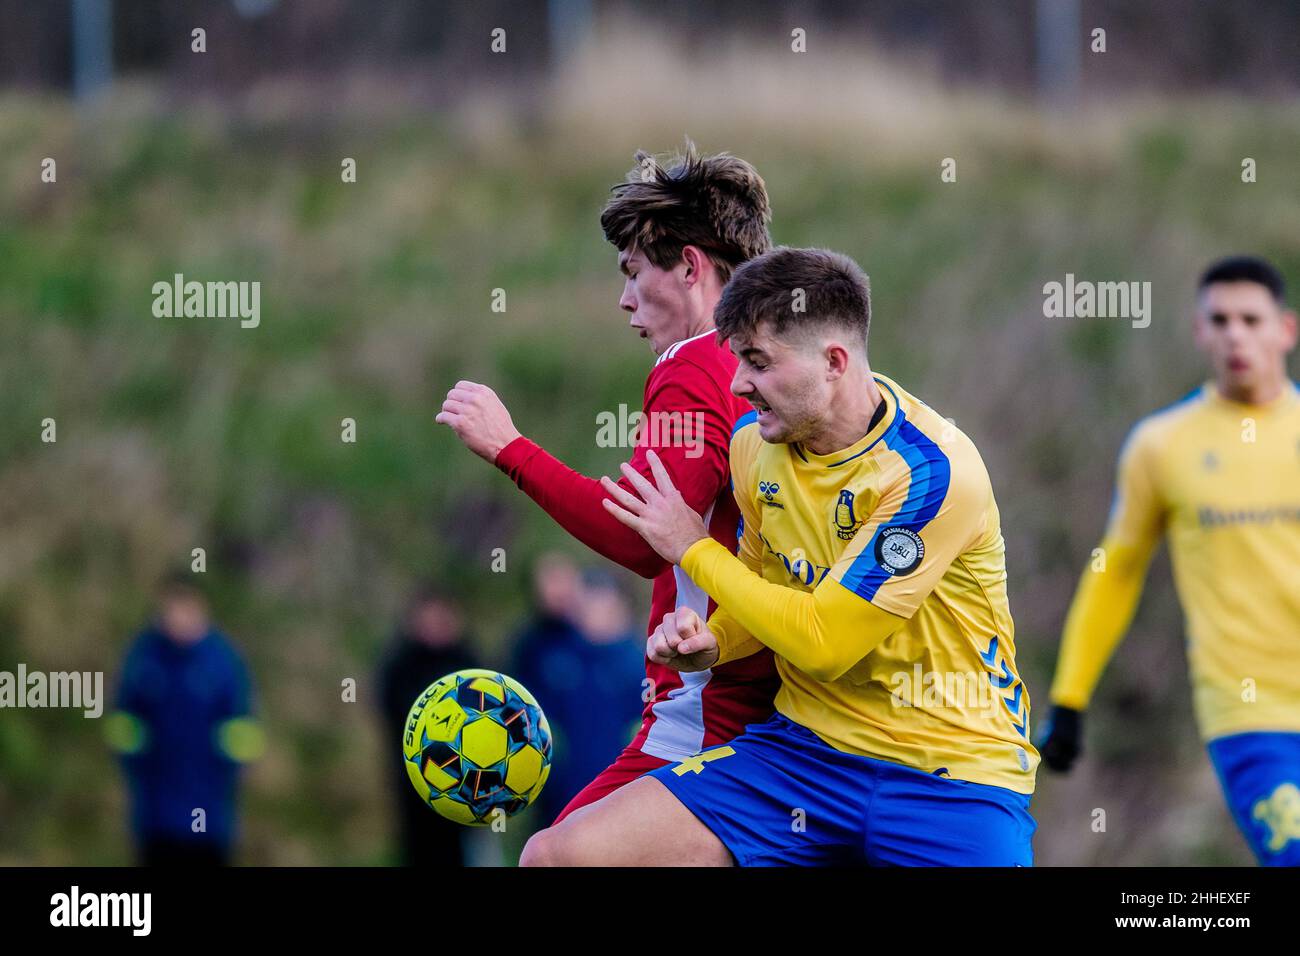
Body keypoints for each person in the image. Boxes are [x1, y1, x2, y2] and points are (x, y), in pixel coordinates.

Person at [522, 247, 1039, 865]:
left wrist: (691, 547)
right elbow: (766, 588)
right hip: (802, 758)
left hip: (952, 778)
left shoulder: (933, 472)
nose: (739, 383)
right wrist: (713, 640)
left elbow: (823, 641)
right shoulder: (754, 448)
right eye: (739, 359)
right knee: (559, 857)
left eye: (759, 362)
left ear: (834, 363)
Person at [436, 144, 781, 822]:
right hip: (778, 698)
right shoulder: (770, 364)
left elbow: (643, 538)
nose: (624, 300)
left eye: (632, 272)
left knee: (553, 856)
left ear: (689, 267)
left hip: (706, 707)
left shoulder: (691, 368)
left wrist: (511, 450)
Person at [1040, 255, 1300, 865]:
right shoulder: (1163, 444)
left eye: (1252, 319)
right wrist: (1070, 697)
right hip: (1250, 712)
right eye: (1221, 319)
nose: (1237, 334)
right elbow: (1117, 569)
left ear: (1285, 329)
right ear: (1199, 331)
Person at [107, 574, 263, 866]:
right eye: (171, 608)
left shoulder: (222, 662)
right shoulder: (144, 657)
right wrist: (137, 768)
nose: (178, 617)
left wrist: (227, 772)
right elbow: (124, 724)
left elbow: (243, 729)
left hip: (210, 813)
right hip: (156, 812)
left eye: (186, 608)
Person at [512, 564, 648, 823]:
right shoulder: (554, 656)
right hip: (558, 802)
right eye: (586, 606)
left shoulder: (640, 664)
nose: (593, 615)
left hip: (619, 802)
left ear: (618, 607)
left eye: (601, 605)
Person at [377, 585, 474, 866]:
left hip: (466, 783)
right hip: (415, 781)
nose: (435, 624)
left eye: (441, 617)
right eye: (428, 617)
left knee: (464, 851)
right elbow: (389, 708)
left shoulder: (467, 661)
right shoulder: (401, 664)